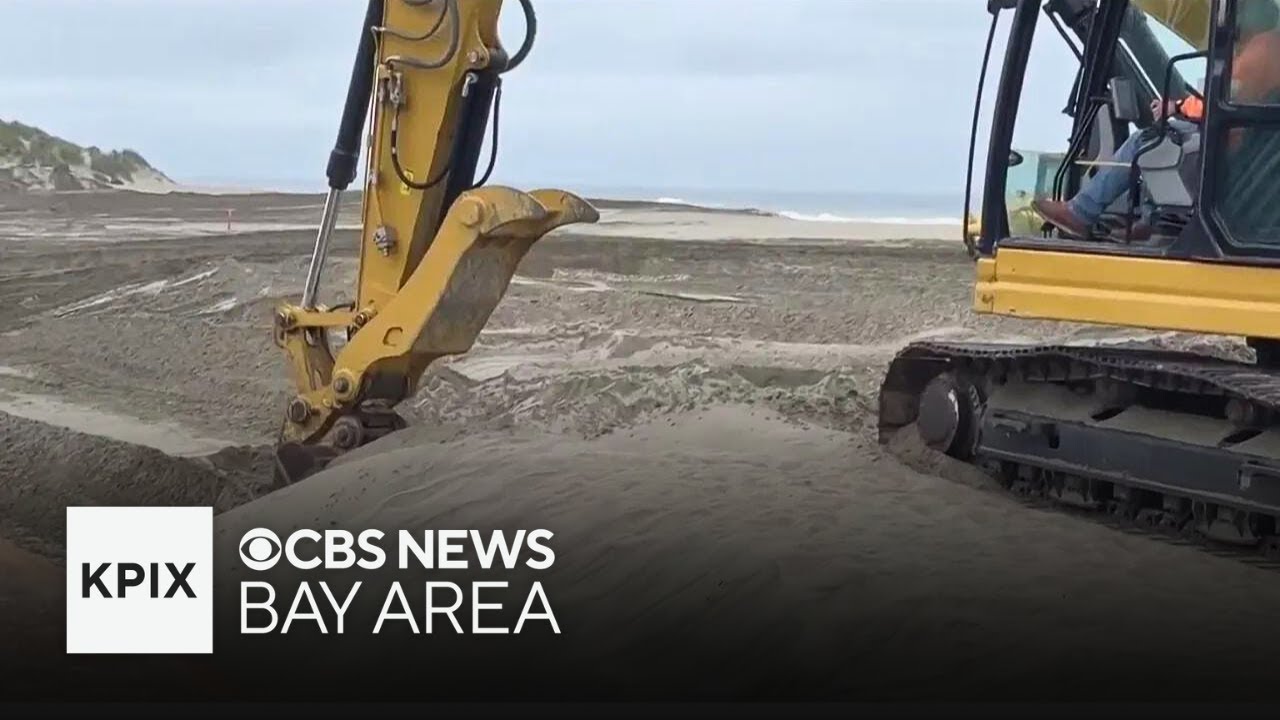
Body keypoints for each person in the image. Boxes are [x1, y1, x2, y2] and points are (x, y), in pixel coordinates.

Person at [1033, 0, 1280, 240]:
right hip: (1244, 137)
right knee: (1165, 133)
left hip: (1233, 140)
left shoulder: (1258, 53)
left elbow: (1219, 104)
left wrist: (1176, 105)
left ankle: (1081, 212)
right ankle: (1152, 221)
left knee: (1147, 138)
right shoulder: (1267, 50)